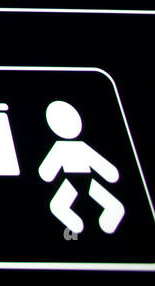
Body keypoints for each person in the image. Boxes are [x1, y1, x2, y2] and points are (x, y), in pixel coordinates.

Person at [37, 100, 124, 234]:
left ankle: (82, 231)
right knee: (58, 206)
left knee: (113, 206)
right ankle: (75, 230)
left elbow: (46, 174)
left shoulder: (76, 147)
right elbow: (46, 173)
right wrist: (111, 175)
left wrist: (110, 174)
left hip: (85, 182)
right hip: (72, 183)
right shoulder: (61, 148)